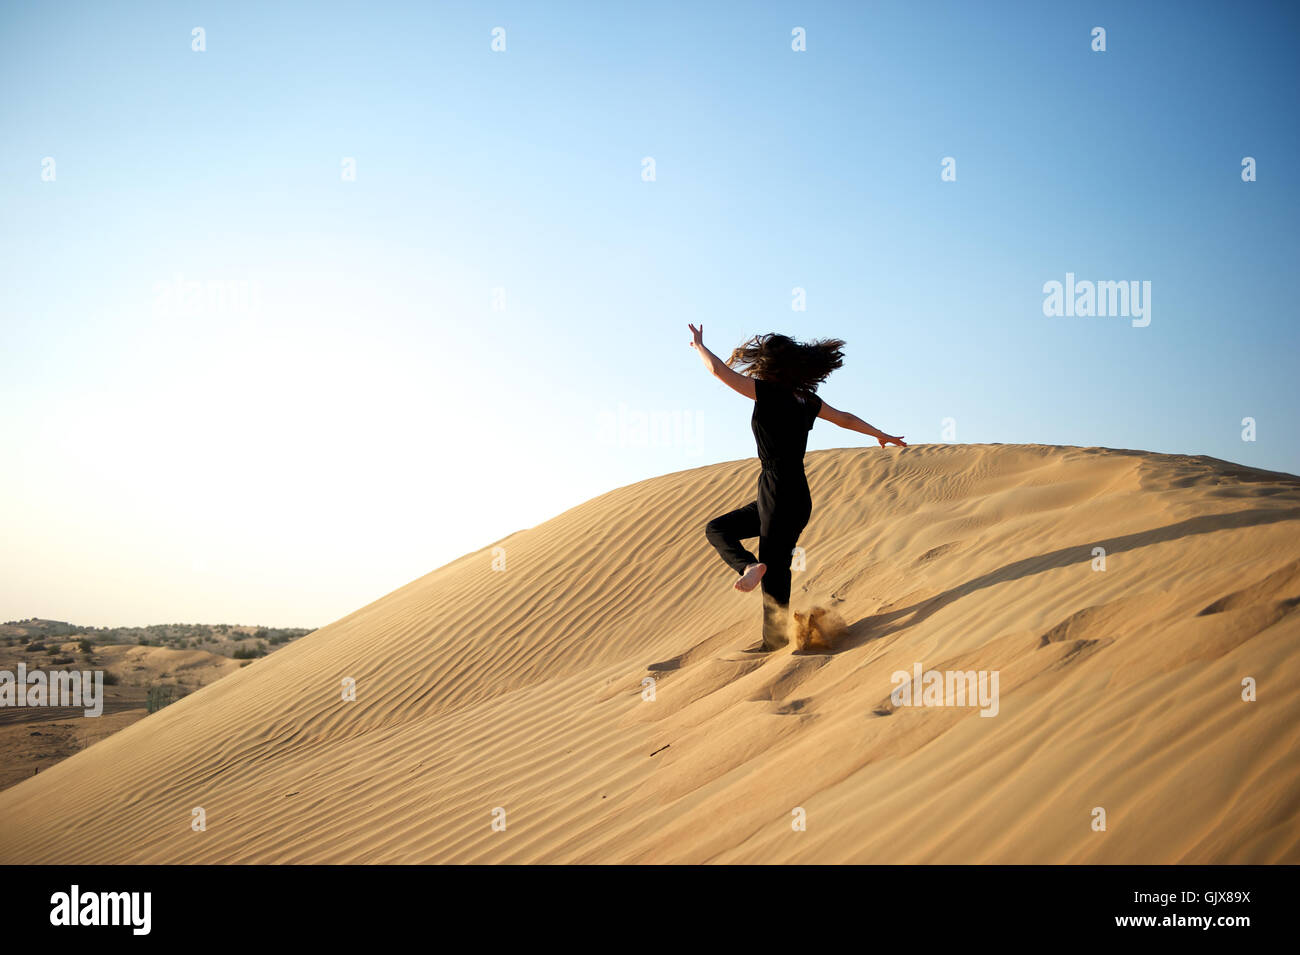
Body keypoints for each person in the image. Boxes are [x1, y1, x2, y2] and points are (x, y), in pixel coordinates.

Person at [689, 325, 907, 651]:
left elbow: (719, 371)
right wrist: (879, 434)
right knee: (720, 529)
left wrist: (699, 346)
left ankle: (774, 641)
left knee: (774, 570)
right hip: (795, 494)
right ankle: (752, 571)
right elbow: (844, 418)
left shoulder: (767, 392)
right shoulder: (806, 400)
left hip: (776, 487)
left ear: (770, 365)